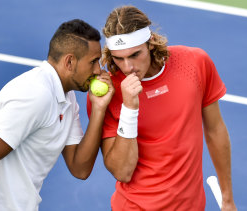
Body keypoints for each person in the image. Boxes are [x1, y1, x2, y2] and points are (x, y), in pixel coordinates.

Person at [87, 5, 237, 210]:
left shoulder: (195, 63)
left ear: (150, 43)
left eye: (134, 55)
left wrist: (227, 198)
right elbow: (122, 171)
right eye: (118, 58)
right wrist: (129, 108)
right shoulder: (108, 93)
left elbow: (215, 130)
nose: (127, 67)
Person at [0, 19, 114, 211]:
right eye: (93, 62)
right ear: (69, 61)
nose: (98, 70)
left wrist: (99, 109)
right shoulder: (36, 94)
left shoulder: (67, 97)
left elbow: (80, 168)